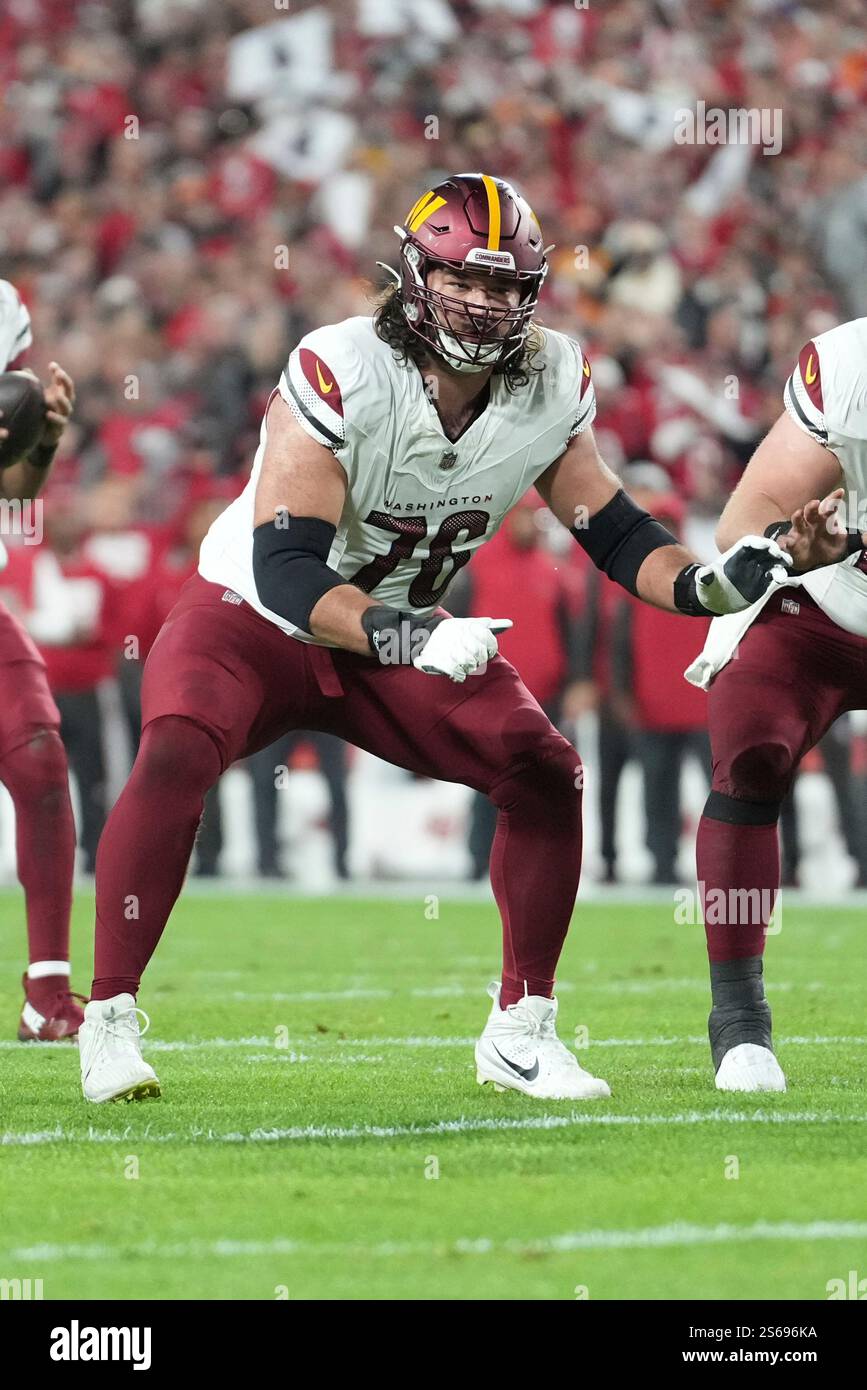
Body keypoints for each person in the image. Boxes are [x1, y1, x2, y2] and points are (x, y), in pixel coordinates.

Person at [77, 174, 790, 1104]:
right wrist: (405, 634)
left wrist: (707, 586)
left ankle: (521, 1026)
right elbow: (290, 564)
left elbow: (611, 531)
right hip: (253, 616)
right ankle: (109, 1016)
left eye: (506, 288)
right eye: (466, 281)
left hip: (396, 629)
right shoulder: (341, 365)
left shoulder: (549, 380)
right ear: (414, 274)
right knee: (176, 745)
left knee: (542, 768)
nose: (486, 305)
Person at [687, 316, 867, 1092]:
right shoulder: (851, 365)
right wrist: (793, 545)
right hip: (824, 607)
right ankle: (738, 1020)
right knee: (753, 749)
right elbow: (743, 515)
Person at [0, 279, 80, 1038]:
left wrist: (42, 436)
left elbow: (10, 488)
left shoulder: (6, 308)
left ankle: (47, 993)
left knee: (41, 759)